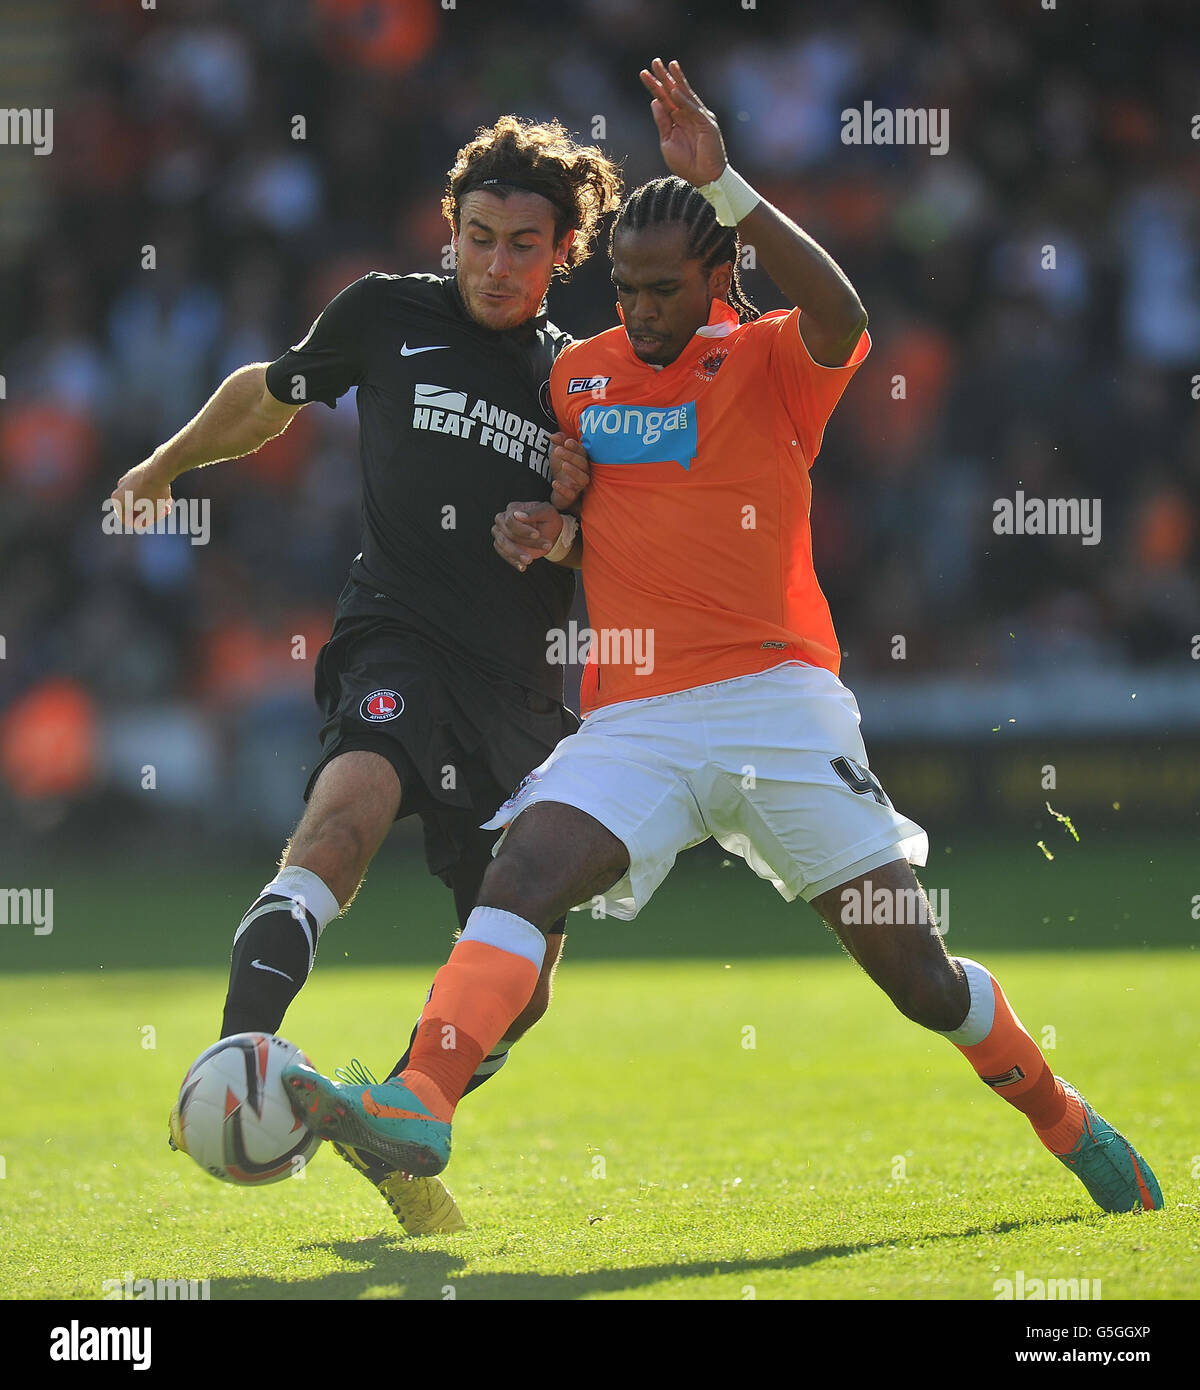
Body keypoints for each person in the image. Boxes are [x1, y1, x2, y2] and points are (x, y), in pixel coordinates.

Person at [282, 61, 1162, 1218]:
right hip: (635, 713)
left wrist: (731, 184)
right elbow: (578, 510)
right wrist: (549, 528)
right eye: (625, 289)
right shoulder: (580, 377)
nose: (639, 311)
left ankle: (1064, 1117)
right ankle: (421, 1102)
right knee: (525, 871)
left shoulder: (773, 363)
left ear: (720, 277)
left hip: (777, 705)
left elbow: (847, 313)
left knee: (918, 974)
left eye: (662, 290)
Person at [110, 115, 622, 1233]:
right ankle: (240, 1052)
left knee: (523, 985)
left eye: (524, 245)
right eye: (477, 236)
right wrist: (168, 459)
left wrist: (568, 533)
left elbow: (633, 543)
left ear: (565, 252)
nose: (495, 263)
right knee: (341, 824)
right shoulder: (388, 312)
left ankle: (384, 1122)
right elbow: (274, 386)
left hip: (523, 700)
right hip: (397, 635)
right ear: (450, 231)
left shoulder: (587, 383)